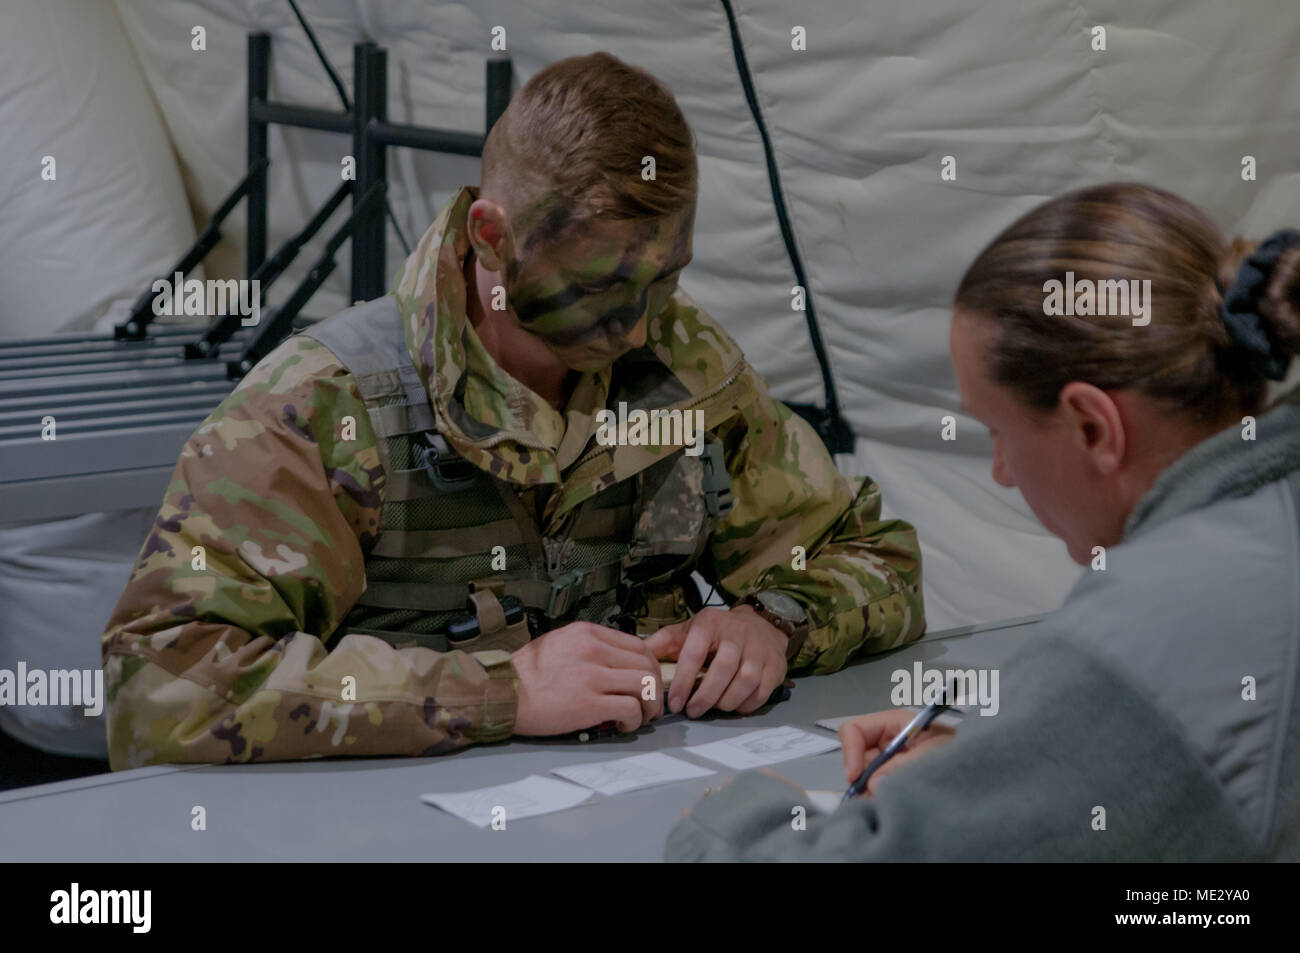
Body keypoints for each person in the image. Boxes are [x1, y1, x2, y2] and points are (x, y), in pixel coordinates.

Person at [100, 52, 925, 769]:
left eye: (666, 279)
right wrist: (500, 691)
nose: (637, 326)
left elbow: (877, 557)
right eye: (600, 287)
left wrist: (772, 622)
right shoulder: (328, 407)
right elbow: (163, 684)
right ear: (492, 238)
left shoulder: (683, 371)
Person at [666, 183, 1300, 861]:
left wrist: (733, 817)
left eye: (999, 431)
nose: (1001, 471)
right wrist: (1004, 769)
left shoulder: (1141, 636)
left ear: (1093, 426)